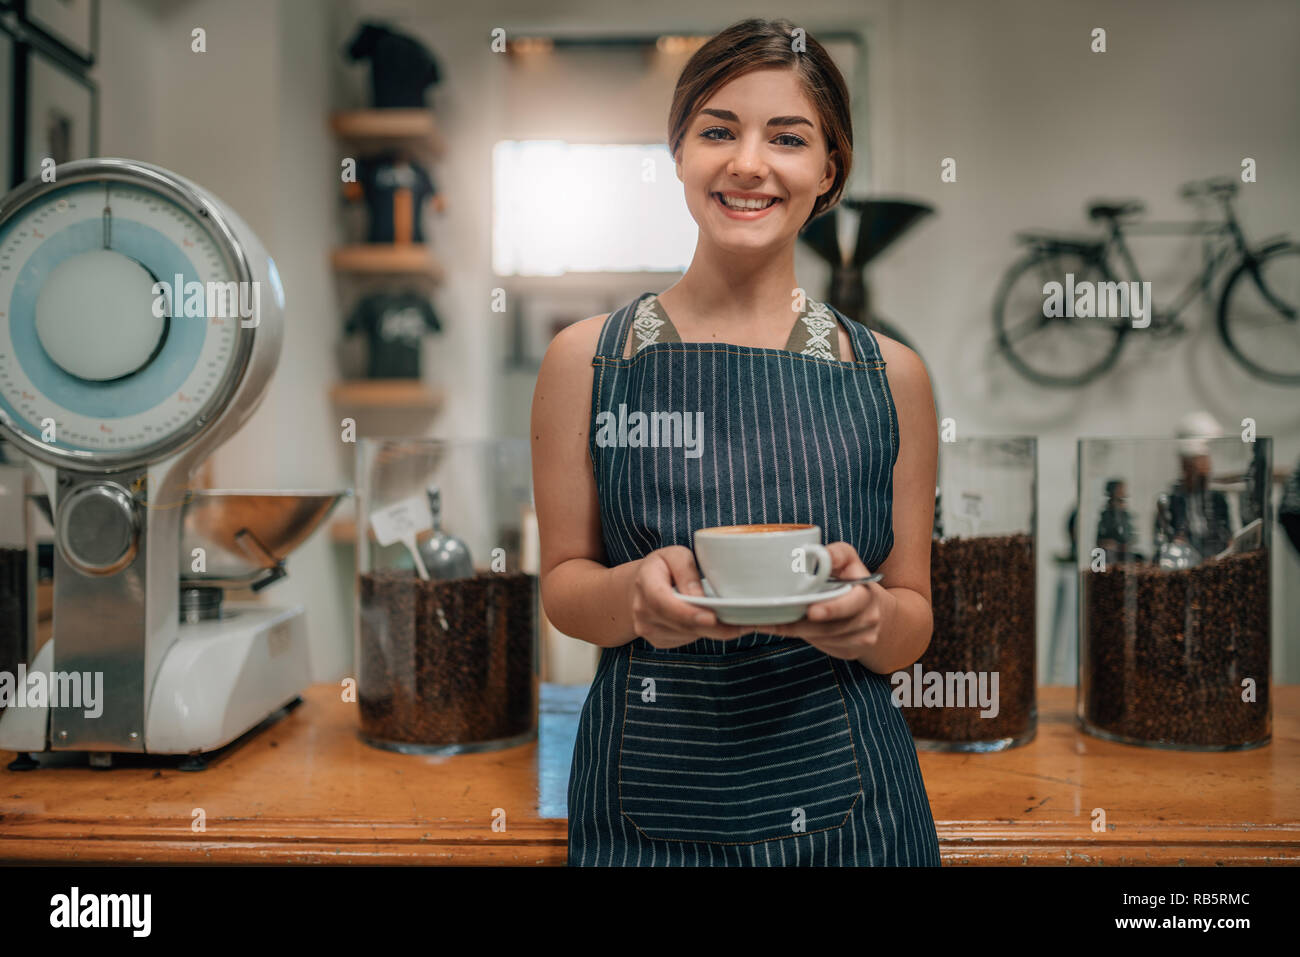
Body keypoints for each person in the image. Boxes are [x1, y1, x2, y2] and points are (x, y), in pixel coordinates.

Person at [530, 18, 941, 866]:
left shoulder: (891, 374)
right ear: (678, 152)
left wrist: (868, 618)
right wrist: (635, 600)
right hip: (643, 790)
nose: (748, 163)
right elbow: (567, 589)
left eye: (787, 138)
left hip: (854, 804)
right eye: (719, 130)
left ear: (828, 170)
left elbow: (913, 621)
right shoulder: (589, 358)